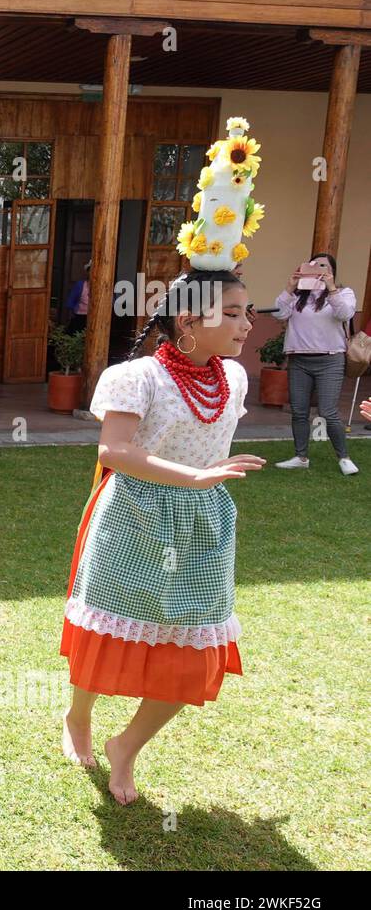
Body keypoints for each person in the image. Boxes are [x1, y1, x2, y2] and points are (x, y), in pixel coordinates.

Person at [60, 270, 262, 804]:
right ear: (189, 319)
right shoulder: (137, 377)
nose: (247, 323)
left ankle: (126, 745)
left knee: (194, 651)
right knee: (107, 637)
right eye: (235, 312)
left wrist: (205, 478)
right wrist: (195, 475)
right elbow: (114, 451)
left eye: (248, 312)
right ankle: (78, 717)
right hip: (132, 518)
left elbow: (207, 443)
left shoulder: (235, 380)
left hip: (203, 526)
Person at [271, 252, 359, 475]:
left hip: (330, 360)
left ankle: (344, 457)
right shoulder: (299, 296)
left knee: (328, 411)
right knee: (299, 411)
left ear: (332, 271)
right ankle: (301, 457)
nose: (318, 270)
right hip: (299, 360)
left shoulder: (343, 293)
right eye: (313, 265)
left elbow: (345, 313)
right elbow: (280, 314)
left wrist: (330, 288)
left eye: (323, 267)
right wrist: (290, 287)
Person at [62, 260, 91, 333]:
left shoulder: (105, 287)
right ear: (88, 272)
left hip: (98, 318)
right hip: (81, 318)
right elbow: (70, 302)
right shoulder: (80, 285)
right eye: (91, 270)